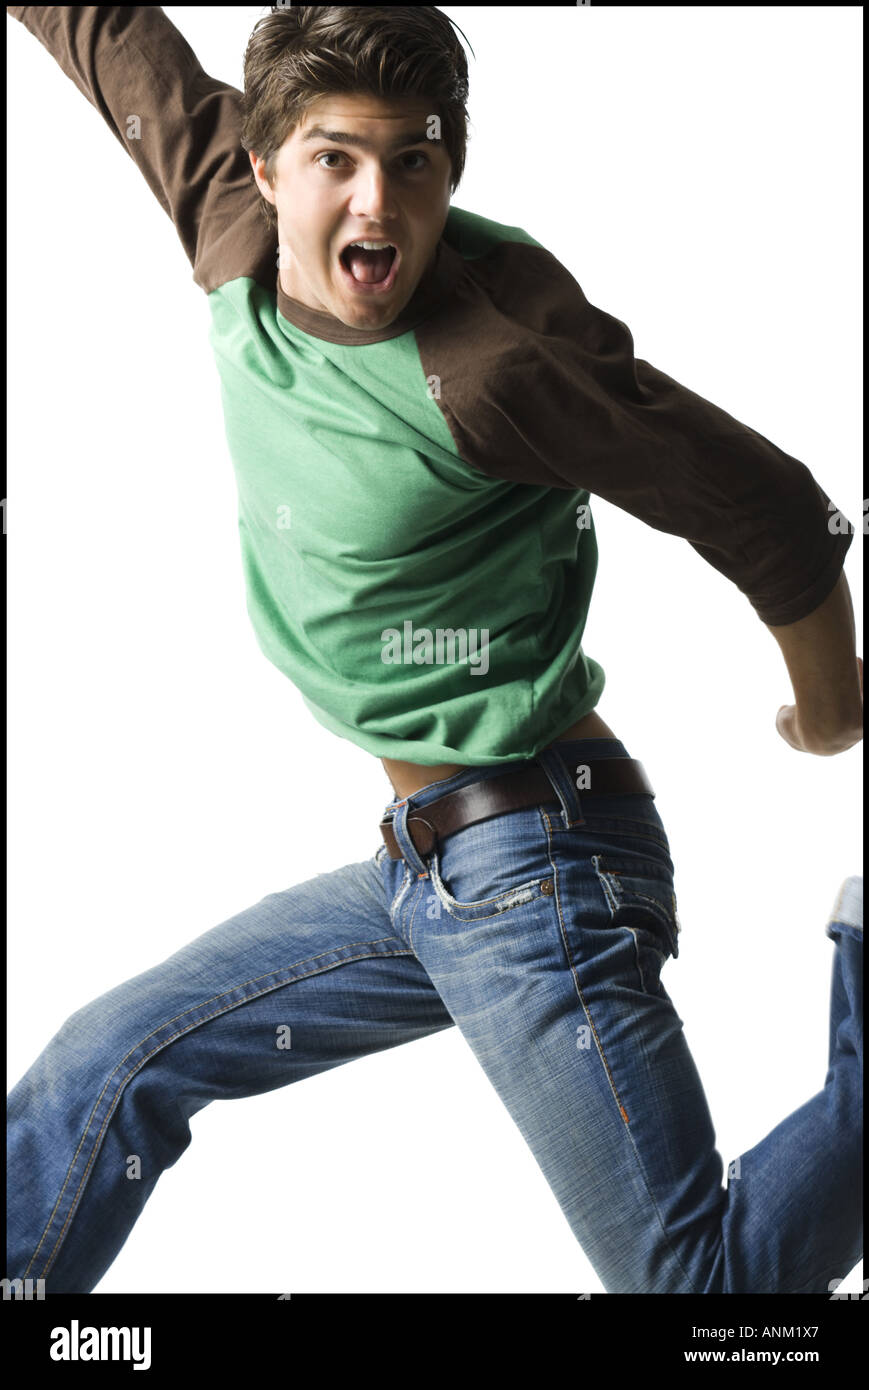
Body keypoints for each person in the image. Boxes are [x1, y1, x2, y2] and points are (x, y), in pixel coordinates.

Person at [5, 5, 862, 1294]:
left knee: (699, 1296)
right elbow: (106, 30)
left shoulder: (493, 368)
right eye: (339, 158)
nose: (380, 199)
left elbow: (764, 505)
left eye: (418, 158)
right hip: (426, 876)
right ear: (260, 163)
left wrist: (831, 710)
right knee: (106, 1071)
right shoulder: (228, 226)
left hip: (541, 867)